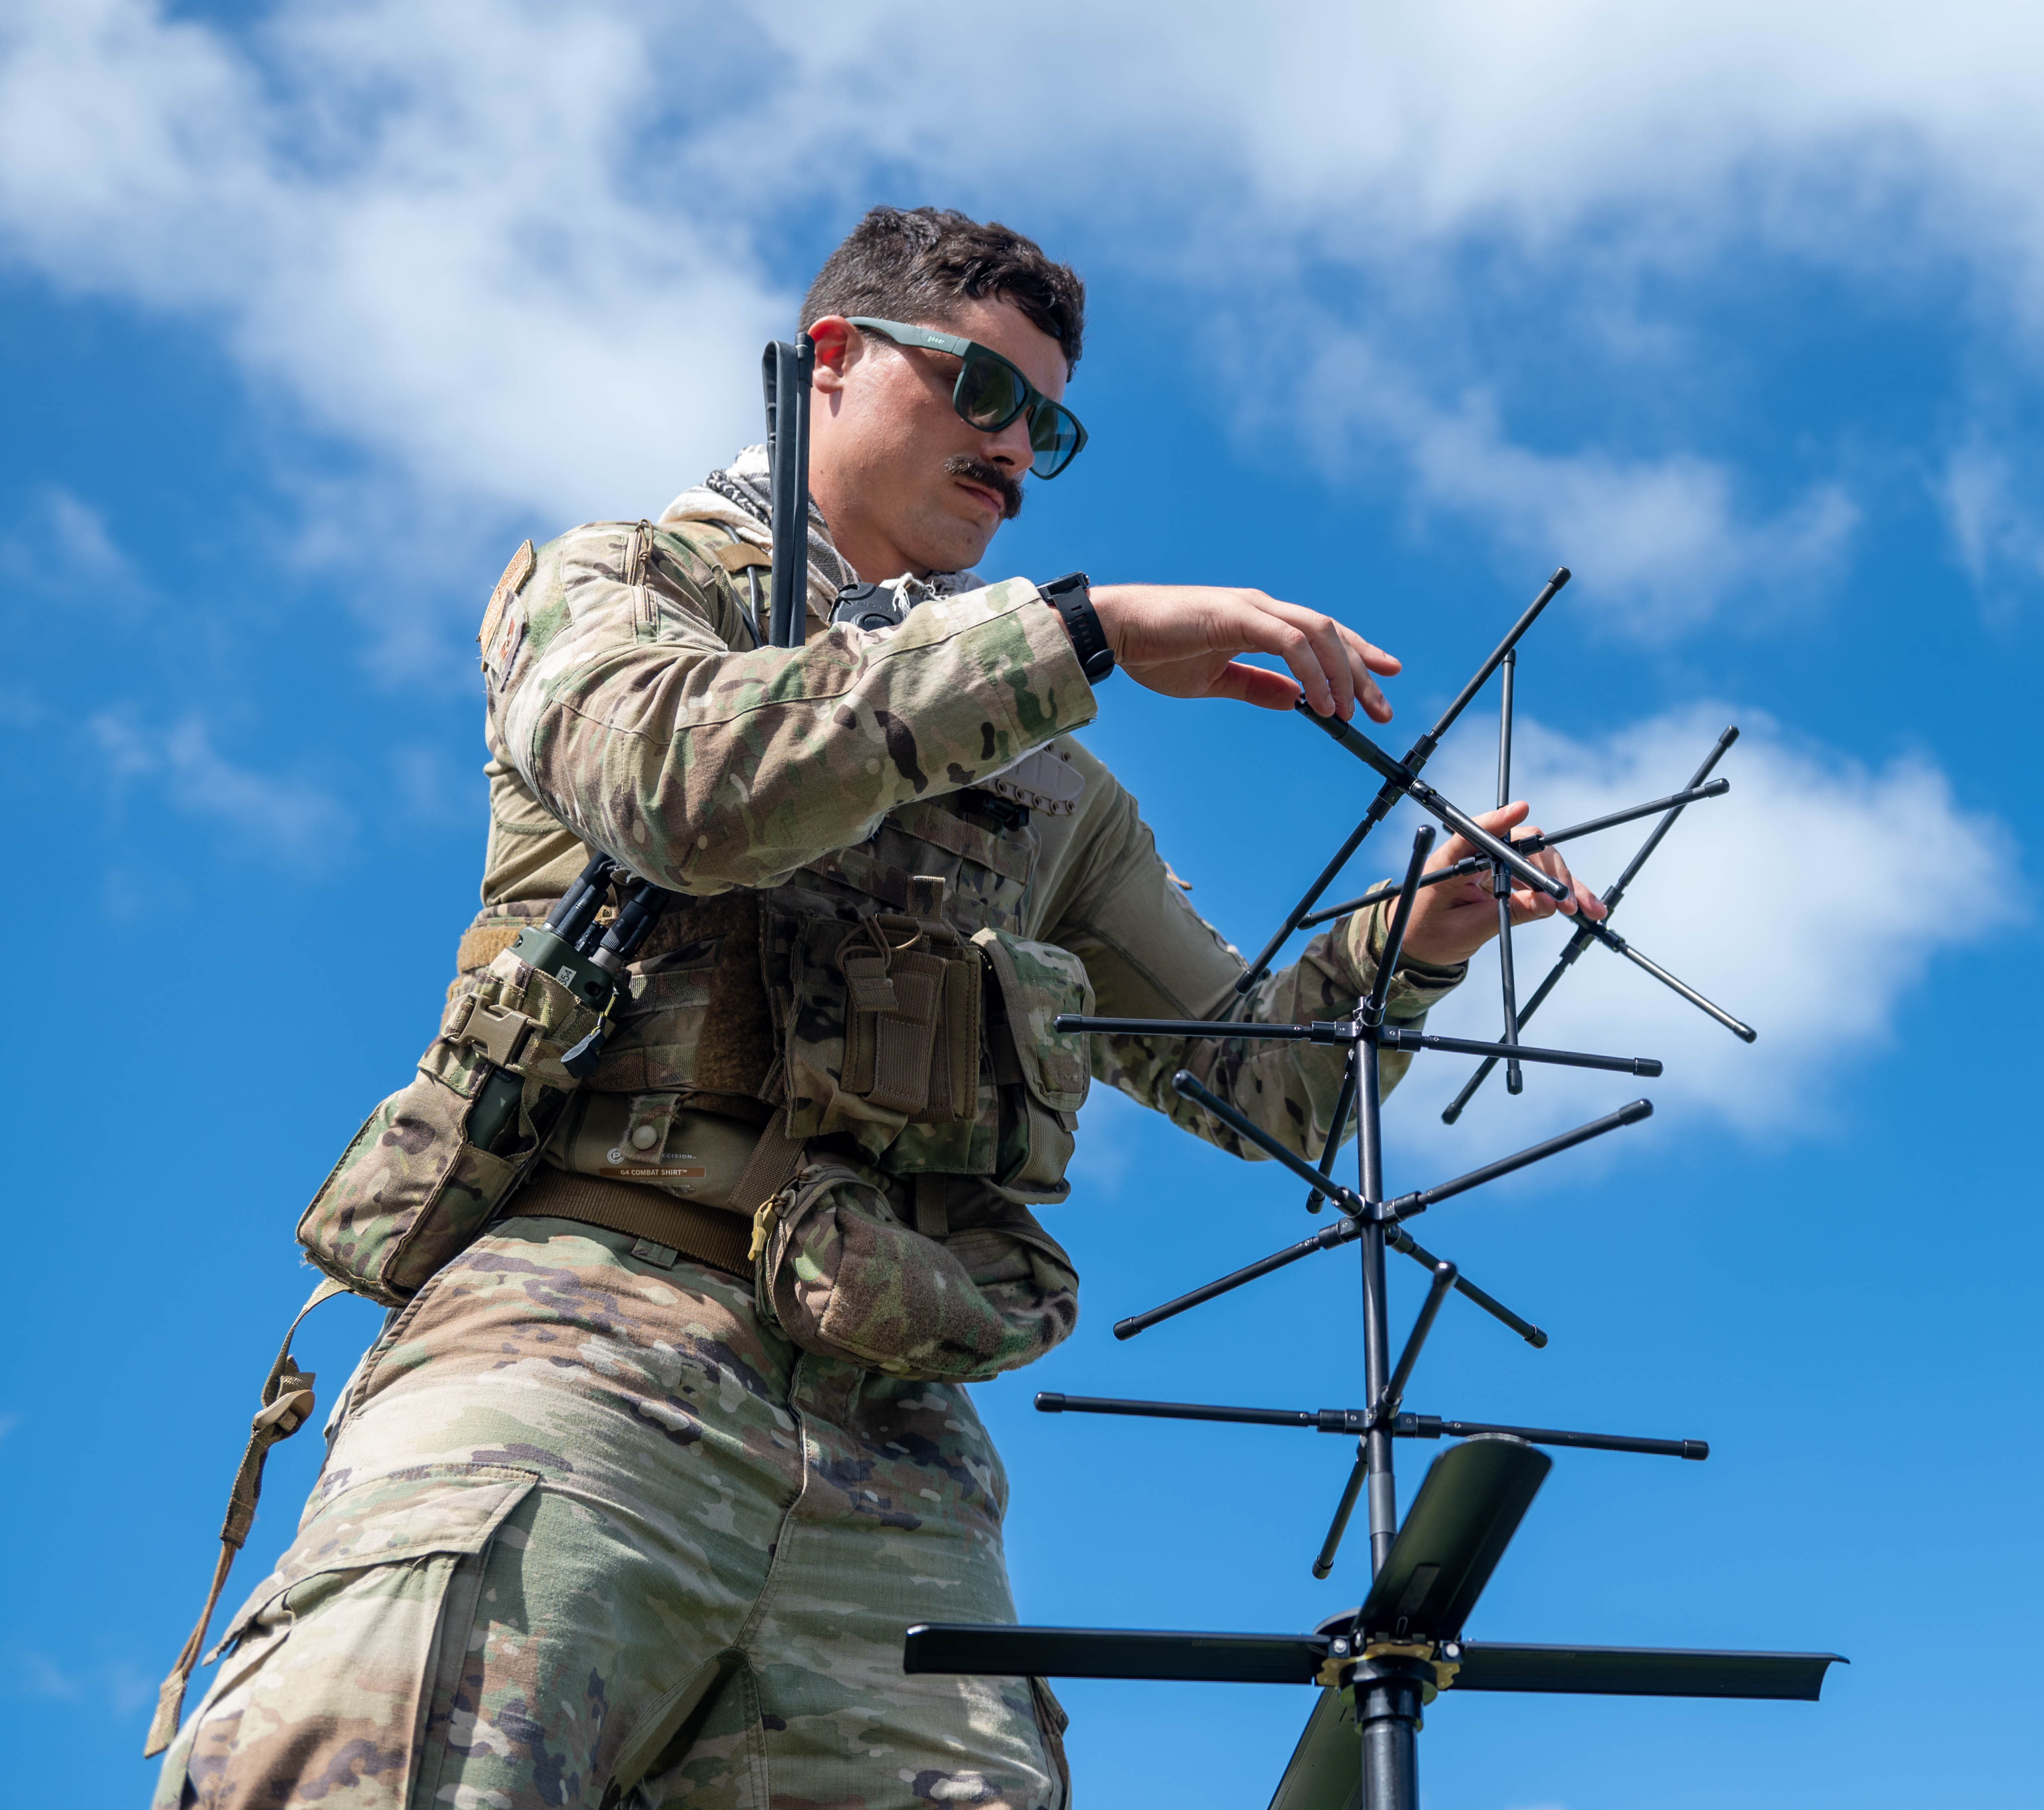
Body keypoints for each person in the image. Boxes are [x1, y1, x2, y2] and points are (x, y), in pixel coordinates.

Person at [149, 206, 1598, 1810]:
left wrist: (1416, 938)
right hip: (579, 1351)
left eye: (1048, 425)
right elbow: (683, 783)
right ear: (832, 361)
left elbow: (1264, 1084)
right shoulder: (627, 584)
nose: (1017, 453)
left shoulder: (1051, 788)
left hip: (894, 1453)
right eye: (984, 391)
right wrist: (1085, 631)